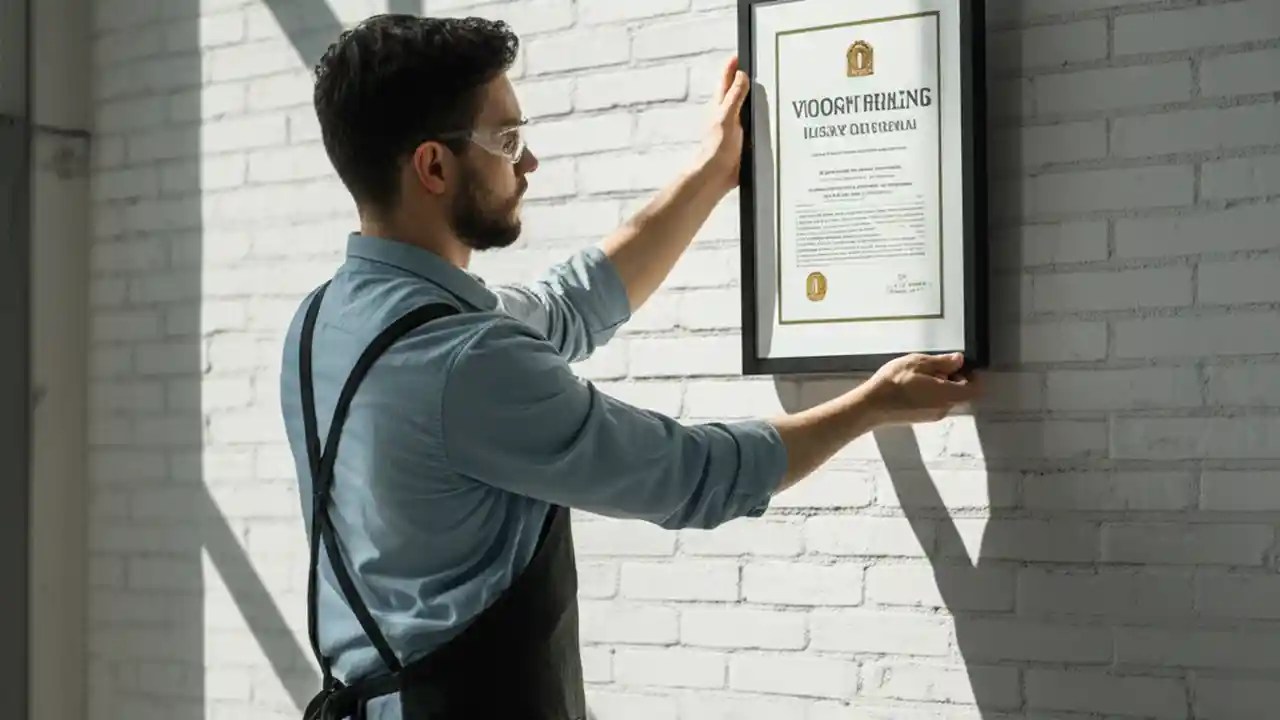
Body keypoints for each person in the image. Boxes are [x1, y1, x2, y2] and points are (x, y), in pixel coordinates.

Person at [279, 13, 981, 720]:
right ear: (433, 166)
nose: (528, 163)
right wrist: (870, 405)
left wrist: (711, 175)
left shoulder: (320, 322)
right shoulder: (466, 361)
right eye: (507, 139)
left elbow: (568, 305)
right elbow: (691, 474)